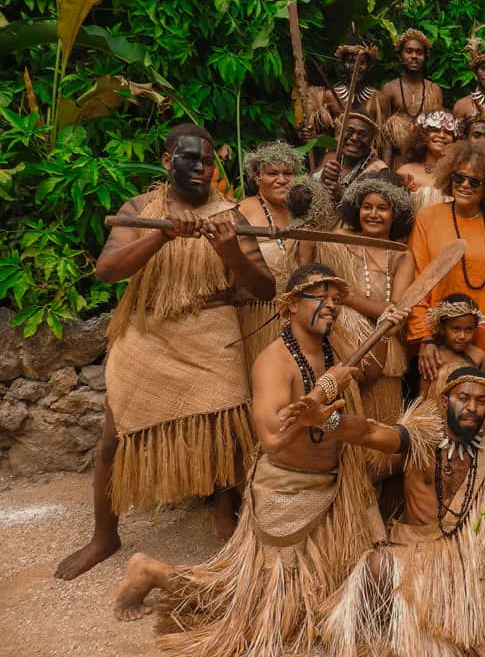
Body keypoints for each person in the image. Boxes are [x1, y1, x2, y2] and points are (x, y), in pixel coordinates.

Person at [111, 265, 409, 657]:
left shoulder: (333, 344)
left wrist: (383, 326)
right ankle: (154, 572)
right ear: (289, 305)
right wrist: (322, 396)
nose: (331, 306)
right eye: (319, 296)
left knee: (335, 595)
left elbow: (368, 371)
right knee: (258, 607)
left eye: (336, 299)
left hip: (335, 490)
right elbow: (271, 439)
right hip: (287, 491)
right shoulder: (275, 362)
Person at [54, 125, 276, 581]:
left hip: (211, 333)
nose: (200, 168)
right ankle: (104, 535)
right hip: (146, 331)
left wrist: (231, 252)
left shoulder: (230, 214)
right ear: (166, 160)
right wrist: (163, 236)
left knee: (231, 433)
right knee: (114, 439)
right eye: (190, 159)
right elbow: (107, 271)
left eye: (208, 161)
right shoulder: (141, 210)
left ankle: (225, 507)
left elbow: (265, 287)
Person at [323, 365, 485, 656]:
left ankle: (447, 617)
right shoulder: (420, 437)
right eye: (463, 397)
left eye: (481, 400)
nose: (472, 407)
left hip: (469, 566)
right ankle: (456, 620)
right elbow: (370, 432)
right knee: (375, 567)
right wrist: (329, 421)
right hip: (415, 556)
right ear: (444, 400)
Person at [408, 141, 485, 386]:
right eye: (459, 177)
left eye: (474, 181)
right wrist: (425, 338)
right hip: (435, 351)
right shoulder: (427, 218)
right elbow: (416, 284)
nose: (464, 185)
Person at [301, 177, 416, 422]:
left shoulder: (401, 255)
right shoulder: (338, 243)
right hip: (338, 345)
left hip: (384, 352)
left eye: (382, 208)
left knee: (378, 431)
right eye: (367, 207)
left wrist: (347, 297)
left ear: (395, 214)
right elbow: (306, 272)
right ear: (357, 210)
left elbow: (393, 311)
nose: (373, 214)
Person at [236, 141, 303, 370]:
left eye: (288, 173)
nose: (282, 180)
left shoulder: (302, 211)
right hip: (256, 314)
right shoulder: (240, 211)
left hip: (299, 315)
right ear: (257, 176)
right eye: (272, 173)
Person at [297, 38, 382, 145]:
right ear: (342, 65)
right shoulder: (329, 96)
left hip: (368, 159)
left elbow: (384, 140)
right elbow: (324, 134)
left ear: (369, 66)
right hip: (335, 158)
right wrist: (314, 137)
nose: (356, 67)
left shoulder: (378, 98)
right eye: (351, 61)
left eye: (361, 62)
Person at [380, 28, 444, 168]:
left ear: (426, 56)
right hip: (397, 160)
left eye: (419, 52)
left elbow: (440, 132)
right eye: (409, 51)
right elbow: (385, 136)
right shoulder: (390, 89)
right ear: (400, 56)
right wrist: (386, 168)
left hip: (426, 163)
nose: (414, 56)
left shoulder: (434, 90)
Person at [316, 108, 388, 207]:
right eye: (349, 131)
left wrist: (343, 195)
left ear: (372, 140)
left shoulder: (378, 170)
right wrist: (321, 180)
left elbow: (374, 210)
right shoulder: (330, 157)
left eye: (362, 135)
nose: (354, 138)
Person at [419, 293, 485, 395]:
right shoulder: (434, 357)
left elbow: (484, 392)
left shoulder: (479, 356)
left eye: (468, 329)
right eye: (456, 329)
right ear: (442, 328)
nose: (462, 336)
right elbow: (423, 395)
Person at [396, 109, 455, 211]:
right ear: (423, 136)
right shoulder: (405, 171)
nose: (441, 135)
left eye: (448, 132)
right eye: (435, 130)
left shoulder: (458, 175)